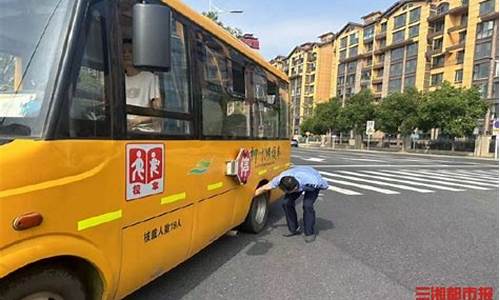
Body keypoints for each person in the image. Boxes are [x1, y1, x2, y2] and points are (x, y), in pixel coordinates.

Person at [255, 166, 328, 243]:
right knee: (286, 203)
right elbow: (264, 188)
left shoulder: (313, 181)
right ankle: (294, 228)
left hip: (310, 185)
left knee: (307, 205)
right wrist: (251, 197)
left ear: (295, 188)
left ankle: (309, 233)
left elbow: (325, 185)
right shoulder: (280, 179)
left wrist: (318, 187)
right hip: (298, 178)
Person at [122, 40, 161, 131]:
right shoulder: (118, 79)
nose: (126, 55)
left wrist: (137, 121)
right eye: (123, 52)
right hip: (122, 129)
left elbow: (158, 113)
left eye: (130, 52)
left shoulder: (150, 78)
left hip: (143, 131)